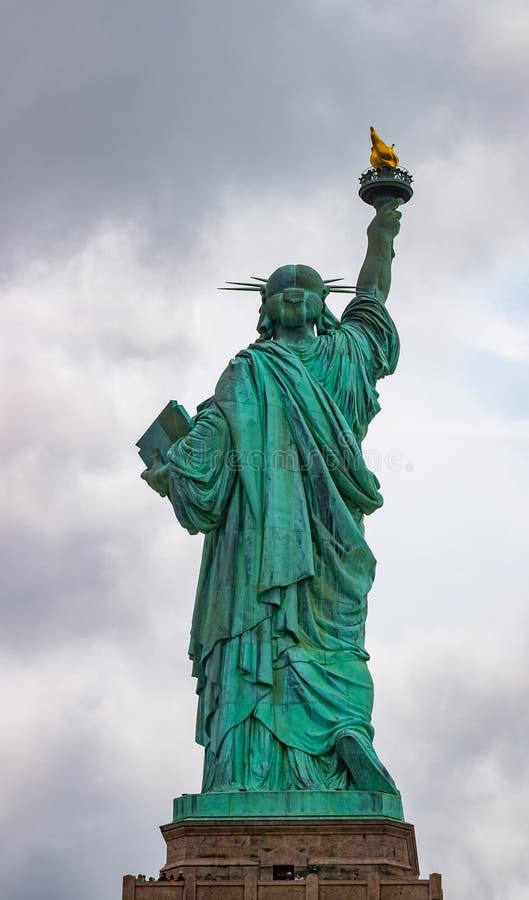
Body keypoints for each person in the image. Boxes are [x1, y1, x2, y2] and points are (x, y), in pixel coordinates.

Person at [142, 200, 402, 794]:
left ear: (322, 307)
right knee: (263, 634)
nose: (291, 294)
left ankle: (343, 734)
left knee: (331, 641)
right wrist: (177, 465)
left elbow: (374, 294)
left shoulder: (345, 357)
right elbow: (209, 447)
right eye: (281, 290)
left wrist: (383, 222)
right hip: (257, 540)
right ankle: (253, 767)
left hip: (329, 535)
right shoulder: (246, 372)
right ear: (263, 310)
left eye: (305, 289)